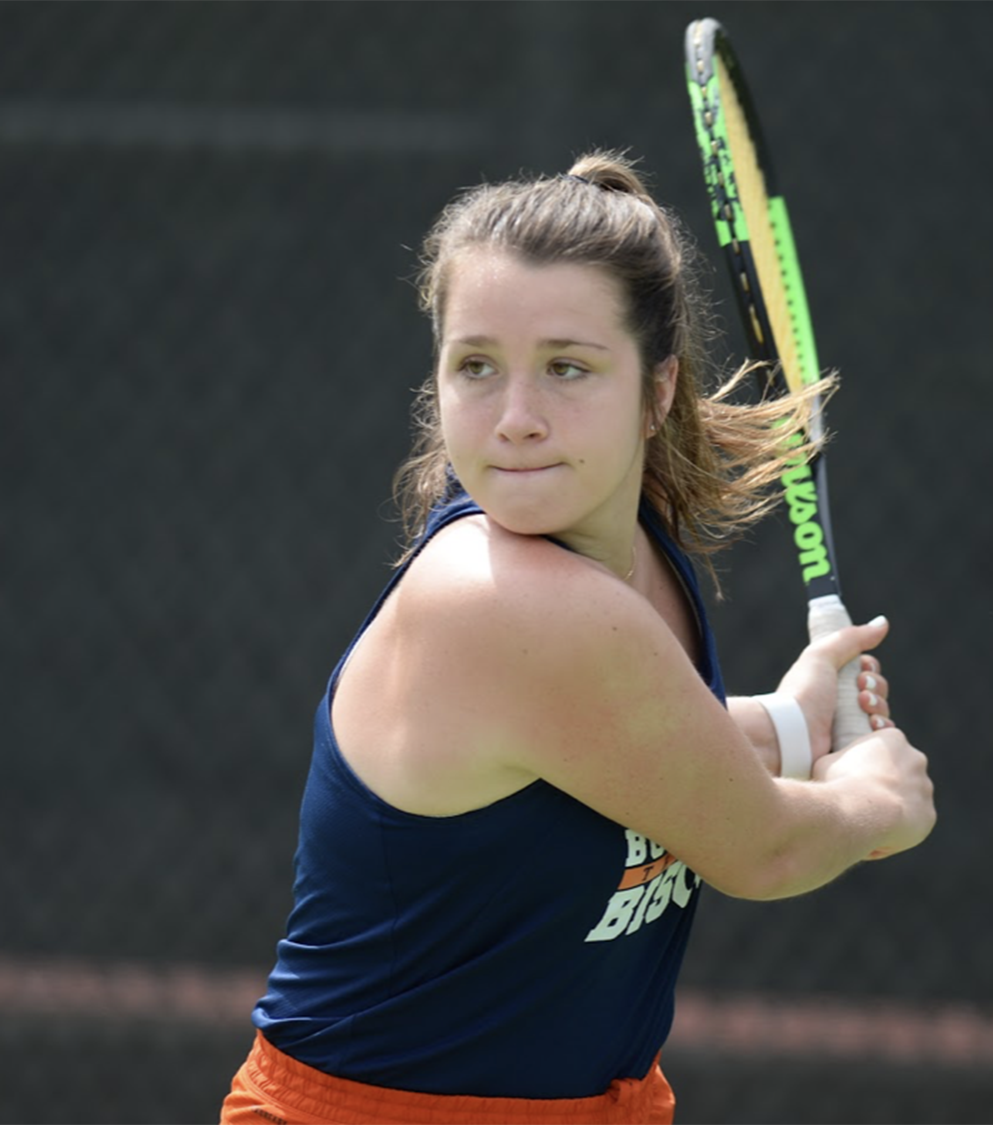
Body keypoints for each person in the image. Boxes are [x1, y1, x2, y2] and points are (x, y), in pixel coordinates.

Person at [221, 151, 936, 1125]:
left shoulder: (634, 561)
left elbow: (603, 757)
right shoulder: (504, 599)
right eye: (476, 366)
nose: (515, 419)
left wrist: (790, 722)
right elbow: (761, 851)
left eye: (567, 368)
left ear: (654, 391)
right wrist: (875, 803)